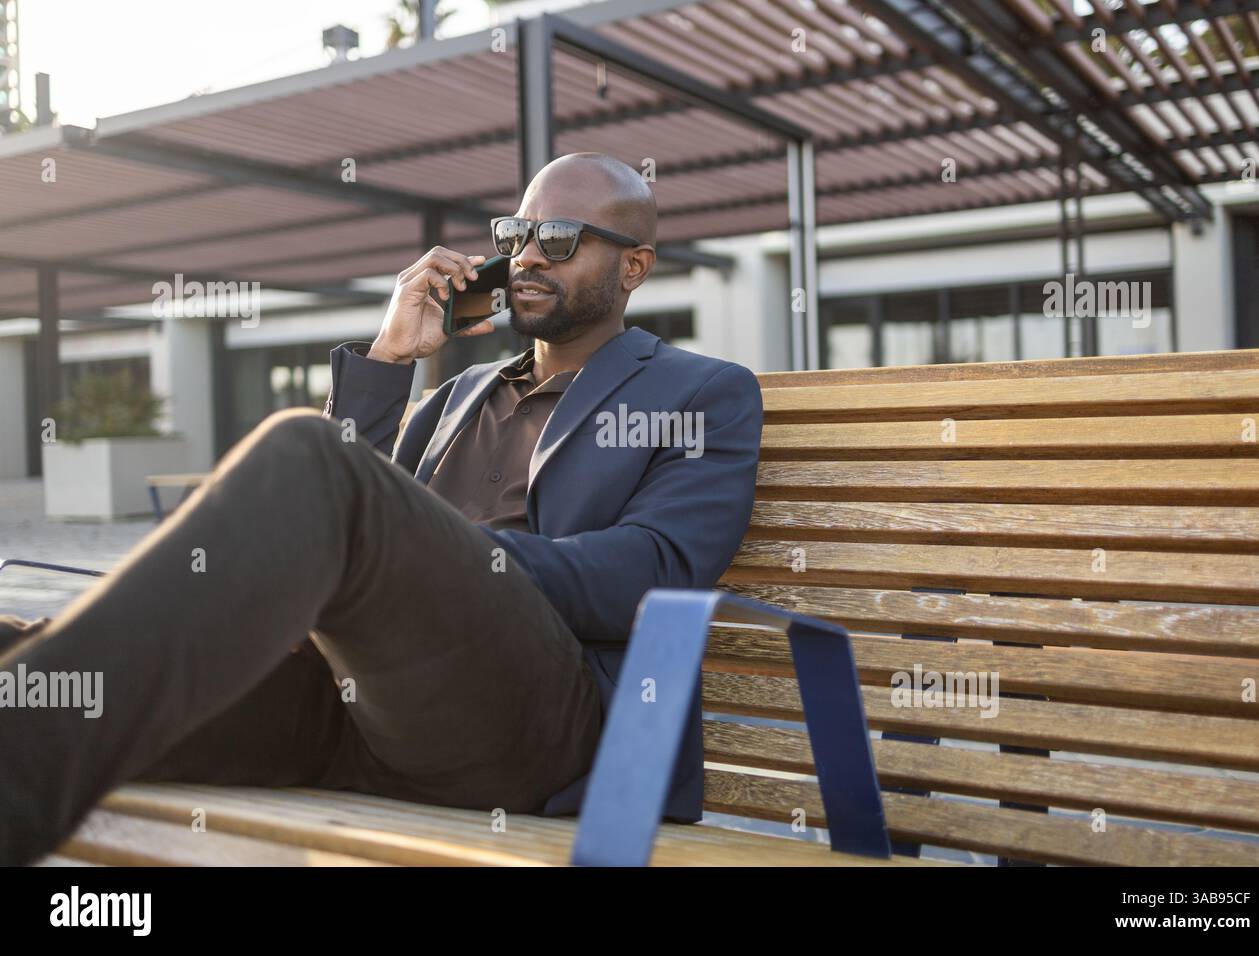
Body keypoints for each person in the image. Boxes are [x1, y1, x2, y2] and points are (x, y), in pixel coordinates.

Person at [0, 153, 764, 865]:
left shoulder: (698, 392)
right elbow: (338, 522)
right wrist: (388, 360)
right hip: (361, 714)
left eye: (561, 238)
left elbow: (658, 570)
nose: (528, 256)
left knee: (305, 448)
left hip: (540, 728)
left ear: (633, 266)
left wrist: (462, 559)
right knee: (27, 657)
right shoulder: (457, 396)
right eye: (516, 234)